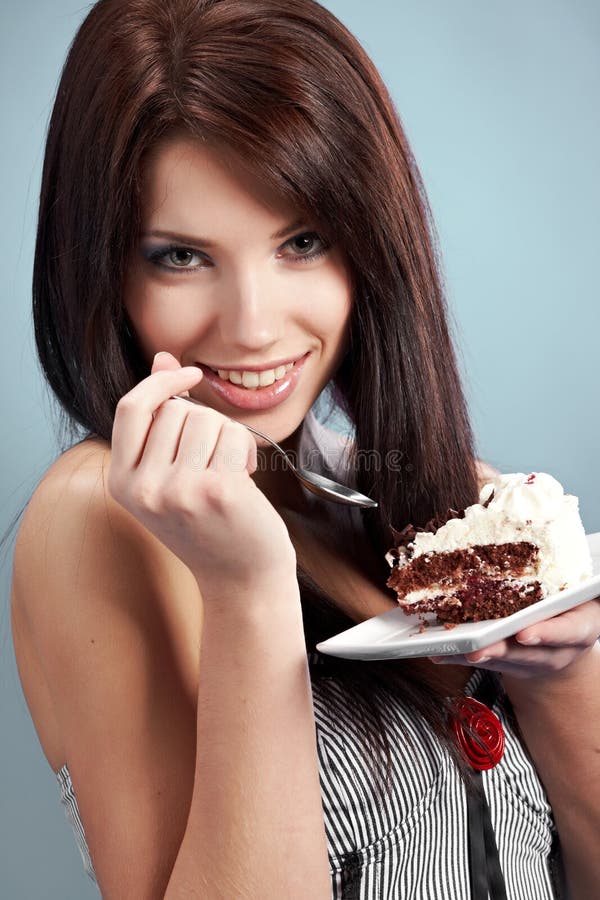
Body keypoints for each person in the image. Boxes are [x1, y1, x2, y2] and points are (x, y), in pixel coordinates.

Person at [9, 0, 599, 898]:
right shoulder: (104, 520)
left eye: (302, 242)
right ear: (100, 270)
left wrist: (560, 675)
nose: (252, 328)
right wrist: (249, 595)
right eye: (179, 256)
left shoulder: (436, 507)